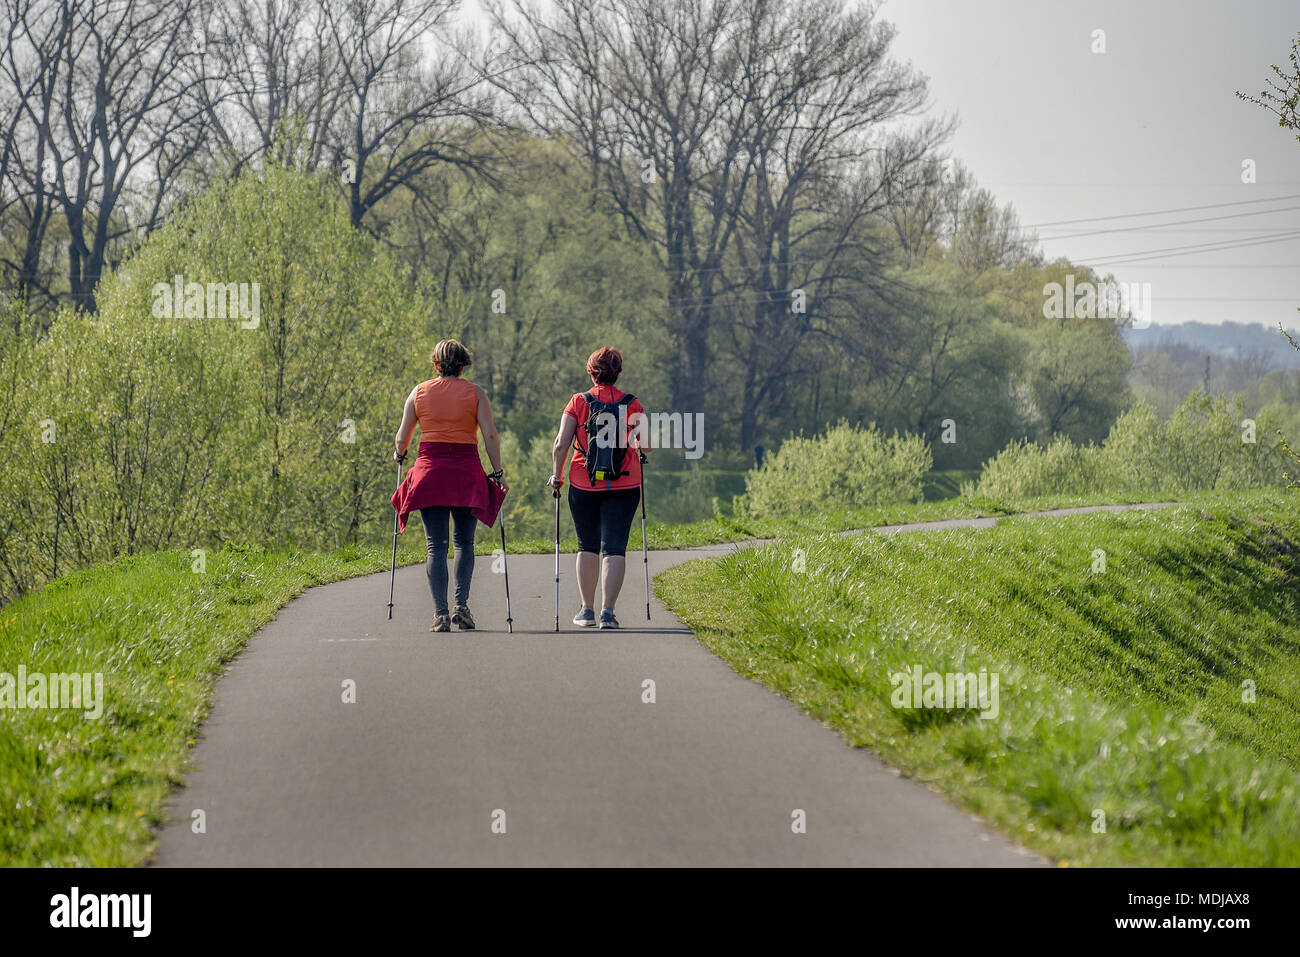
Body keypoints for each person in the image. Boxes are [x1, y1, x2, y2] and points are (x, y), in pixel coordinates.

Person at [392, 339, 507, 632]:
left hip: (430, 474)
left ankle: (440, 614)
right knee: (464, 543)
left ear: (435, 364)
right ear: (464, 365)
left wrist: (400, 454)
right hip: (466, 473)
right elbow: (490, 436)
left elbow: (402, 436)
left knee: (436, 546)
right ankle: (462, 607)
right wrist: (498, 472)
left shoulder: (418, 392)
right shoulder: (476, 394)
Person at [547, 346, 647, 630]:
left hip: (583, 483)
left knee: (586, 545)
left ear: (591, 372)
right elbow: (647, 444)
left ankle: (587, 611)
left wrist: (557, 476)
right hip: (625, 484)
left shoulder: (579, 401)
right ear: (618, 372)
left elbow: (560, 444)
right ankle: (608, 614)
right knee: (615, 547)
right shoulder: (633, 403)